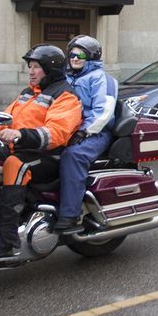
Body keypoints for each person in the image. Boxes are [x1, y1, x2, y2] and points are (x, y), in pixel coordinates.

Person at [0, 45, 80, 258]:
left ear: (50, 69)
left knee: (15, 165)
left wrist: (20, 135)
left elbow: (57, 133)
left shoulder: (65, 96)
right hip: (20, 148)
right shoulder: (27, 94)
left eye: (36, 67)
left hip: (47, 156)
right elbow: (5, 118)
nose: (31, 72)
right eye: (30, 67)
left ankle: (7, 238)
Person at [54, 35, 118, 232]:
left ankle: (70, 214)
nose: (75, 58)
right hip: (66, 129)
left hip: (96, 133)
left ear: (92, 57)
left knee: (74, 156)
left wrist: (84, 132)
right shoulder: (66, 77)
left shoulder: (103, 80)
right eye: (72, 53)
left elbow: (104, 112)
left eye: (80, 54)